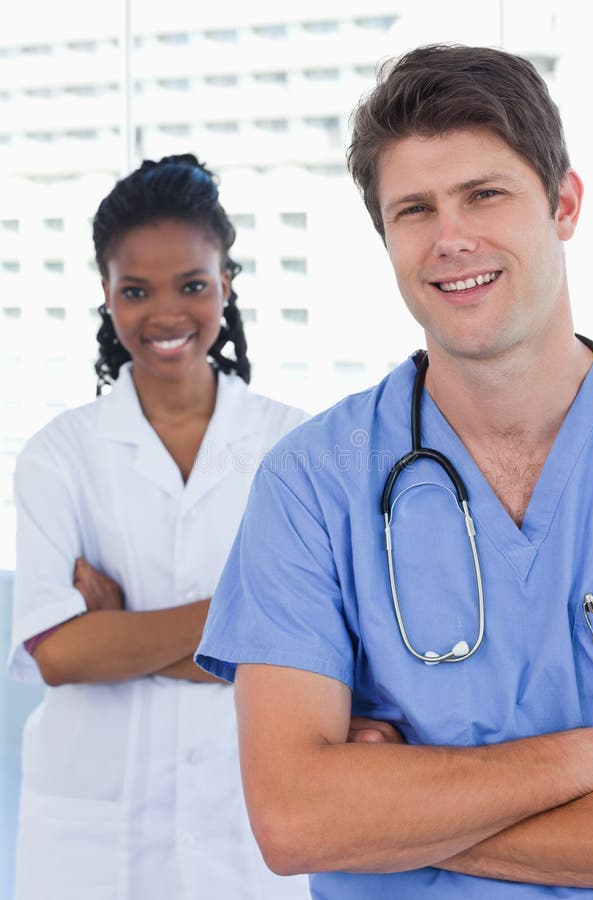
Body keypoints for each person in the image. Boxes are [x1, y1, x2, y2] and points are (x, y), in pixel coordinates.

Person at [195, 45, 593, 898]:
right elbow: (296, 821)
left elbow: (336, 823)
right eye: (414, 209)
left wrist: (398, 821)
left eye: (485, 194)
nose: (450, 238)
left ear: (564, 203)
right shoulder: (311, 484)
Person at [8, 154, 312, 899]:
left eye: (193, 285)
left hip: (246, 823)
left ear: (227, 285)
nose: (165, 313)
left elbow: (317, 653)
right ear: (106, 296)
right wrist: (244, 624)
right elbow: (60, 653)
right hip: (92, 836)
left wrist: (121, 633)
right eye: (135, 290)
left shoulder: (295, 447)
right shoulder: (59, 455)